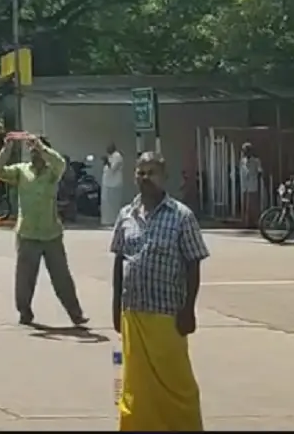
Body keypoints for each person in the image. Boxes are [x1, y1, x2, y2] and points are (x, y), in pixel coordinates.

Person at [112, 152, 208, 431]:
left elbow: (193, 264)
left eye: (151, 173)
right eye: (140, 173)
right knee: (136, 385)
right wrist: (116, 306)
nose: (145, 178)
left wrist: (188, 310)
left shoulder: (181, 216)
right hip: (133, 313)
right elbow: (120, 260)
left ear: (164, 177)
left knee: (177, 383)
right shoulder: (126, 215)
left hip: (167, 316)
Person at [0, 133, 88, 327]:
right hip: (27, 233)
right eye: (32, 151)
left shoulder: (52, 172)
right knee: (25, 278)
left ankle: (75, 313)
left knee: (61, 277)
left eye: (38, 151)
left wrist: (42, 147)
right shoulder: (22, 171)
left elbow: (60, 163)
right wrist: (7, 149)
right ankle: (25, 312)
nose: (35, 154)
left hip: (51, 233)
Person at [239, 142, 262, 228]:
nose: (245, 152)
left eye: (247, 150)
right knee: (245, 204)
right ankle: (246, 222)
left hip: (253, 184)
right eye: (244, 151)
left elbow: (260, 172)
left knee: (253, 205)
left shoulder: (256, 161)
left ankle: (254, 222)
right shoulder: (242, 161)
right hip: (245, 185)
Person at [101, 142, 125, 227]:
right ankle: (106, 221)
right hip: (107, 183)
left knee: (113, 204)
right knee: (106, 203)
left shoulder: (117, 156)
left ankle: (114, 222)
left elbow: (113, 168)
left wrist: (106, 161)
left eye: (109, 147)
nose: (107, 149)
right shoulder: (111, 156)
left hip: (114, 184)